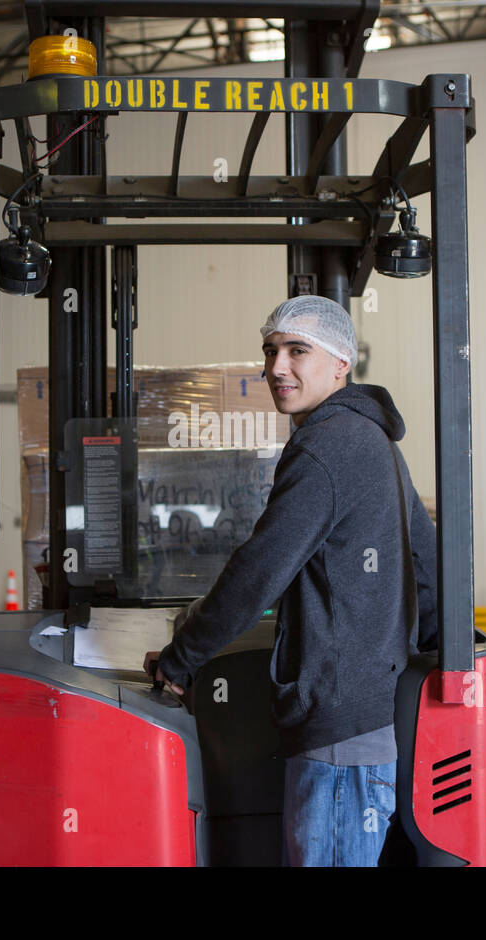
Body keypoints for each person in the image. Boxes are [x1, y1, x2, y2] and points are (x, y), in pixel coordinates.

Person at [144, 294, 439, 867]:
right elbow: (425, 566)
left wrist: (181, 659)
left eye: (296, 350)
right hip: (373, 719)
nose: (276, 367)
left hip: (338, 734)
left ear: (340, 363)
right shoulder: (373, 439)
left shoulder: (328, 444)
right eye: (270, 350)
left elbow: (260, 570)